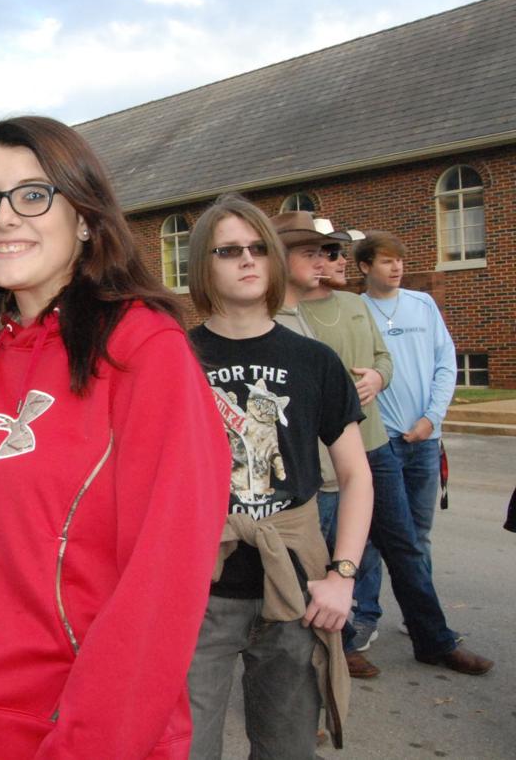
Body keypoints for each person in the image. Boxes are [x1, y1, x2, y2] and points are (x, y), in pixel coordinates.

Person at [0, 118, 229, 759]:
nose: (4, 217)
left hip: (63, 734)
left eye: (33, 195)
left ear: (84, 216)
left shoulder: (145, 351)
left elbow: (162, 581)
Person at [183, 195, 371, 757]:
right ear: (203, 265)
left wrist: (342, 574)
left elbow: (356, 474)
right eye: (228, 250)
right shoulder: (174, 360)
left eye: (259, 247)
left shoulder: (313, 360)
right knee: (183, 746)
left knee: (287, 748)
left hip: (294, 587)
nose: (247, 259)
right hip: (199, 591)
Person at [272, 213, 492, 679]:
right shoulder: (283, 316)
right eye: (315, 252)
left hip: (374, 447)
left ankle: (433, 639)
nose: (327, 259)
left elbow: (381, 357)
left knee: (405, 546)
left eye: (329, 252)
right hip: (319, 461)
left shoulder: (355, 307)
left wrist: (377, 376)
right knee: (329, 559)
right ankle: (340, 648)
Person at [353, 231, 456, 641]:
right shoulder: (355, 312)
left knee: (419, 535)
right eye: (385, 261)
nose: (396, 268)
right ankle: (365, 617)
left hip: (426, 440)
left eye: (399, 260)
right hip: (382, 443)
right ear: (364, 267)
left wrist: (432, 418)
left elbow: (446, 364)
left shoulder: (423, 304)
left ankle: (419, 617)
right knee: (375, 536)